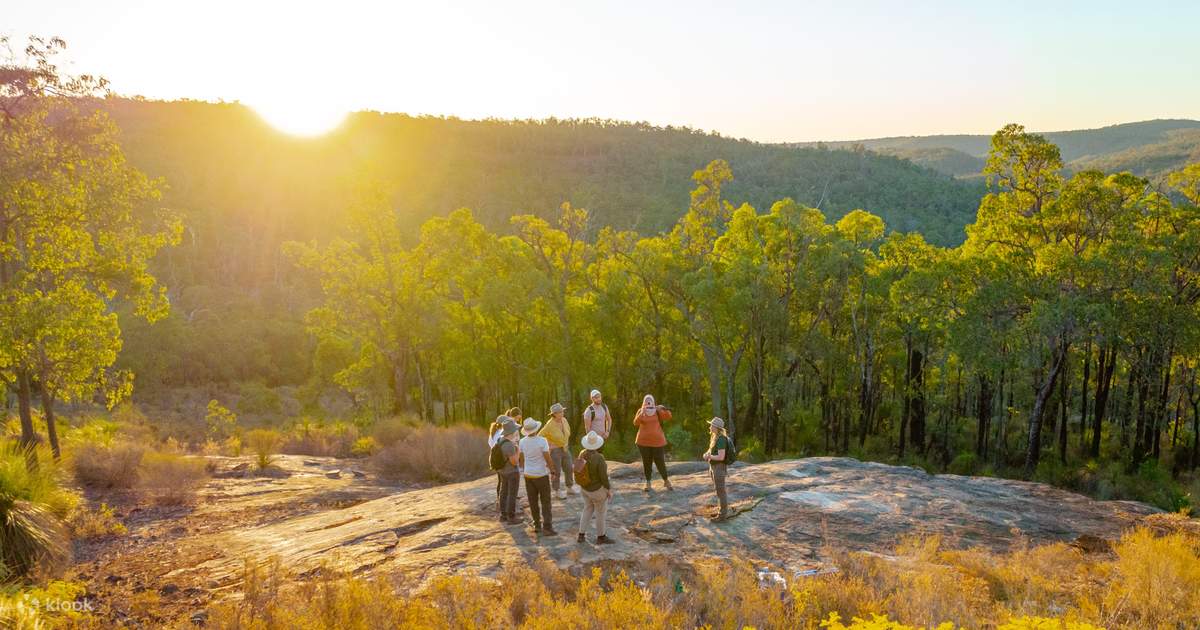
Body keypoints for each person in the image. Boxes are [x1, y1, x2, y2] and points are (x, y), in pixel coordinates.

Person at [518, 417, 557, 536]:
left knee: (533, 501)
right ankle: (547, 527)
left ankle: (537, 525)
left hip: (528, 475)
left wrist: (524, 469)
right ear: (536, 429)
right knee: (546, 501)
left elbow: (522, 459)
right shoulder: (542, 441)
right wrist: (553, 471)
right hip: (541, 475)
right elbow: (547, 457)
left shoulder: (522, 441)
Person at [576, 430, 614, 544]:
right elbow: (603, 477)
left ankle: (581, 535)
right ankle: (601, 537)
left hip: (584, 489)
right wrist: (608, 490)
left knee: (587, 509)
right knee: (600, 513)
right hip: (597, 490)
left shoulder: (582, 453)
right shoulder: (599, 458)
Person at [633, 394, 673, 492]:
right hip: (643, 442)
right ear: (644, 402)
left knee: (660, 462)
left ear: (653, 401)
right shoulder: (641, 411)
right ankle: (648, 482)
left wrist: (661, 408)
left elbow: (669, 416)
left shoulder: (657, 411)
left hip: (658, 442)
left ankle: (666, 480)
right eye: (646, 401)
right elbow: (635, 423)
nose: (648, 402)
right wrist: (641, 413)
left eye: (650, 400)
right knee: (647, 462)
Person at [539, 403, 577, 499]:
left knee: (569, 467)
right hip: (555, 450)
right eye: (559, 412)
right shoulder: (549, 424)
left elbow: (568, 432)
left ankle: (569, 487)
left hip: (565, 448)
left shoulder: (564, 420)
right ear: (554, 414)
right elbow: (540, 436)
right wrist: (549, 445)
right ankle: (557, 490)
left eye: (562, 411)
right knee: (557, 471)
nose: (562, 413)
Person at [702, 417, 732, 520]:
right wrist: (707, 454)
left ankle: (722, 515)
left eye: (711, 425)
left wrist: (709, 457)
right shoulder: (715, 437)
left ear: (716, 427)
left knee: (721, 491)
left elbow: (721, 457)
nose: (710, 427)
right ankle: (721, 511)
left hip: (719, 467)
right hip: (713, 467)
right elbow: (712, 451)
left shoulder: (721, 439)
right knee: (718, 490)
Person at [496, 420, 522, 524]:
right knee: (512, 494)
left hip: (502, 471)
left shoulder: (500, 440)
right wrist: (518, 451)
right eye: (515, 430)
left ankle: (503, 515)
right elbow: (515, 462)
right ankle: (511, 517)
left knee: (503, 492)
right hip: (512, 472)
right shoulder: (509, 445)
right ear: (512, 432)